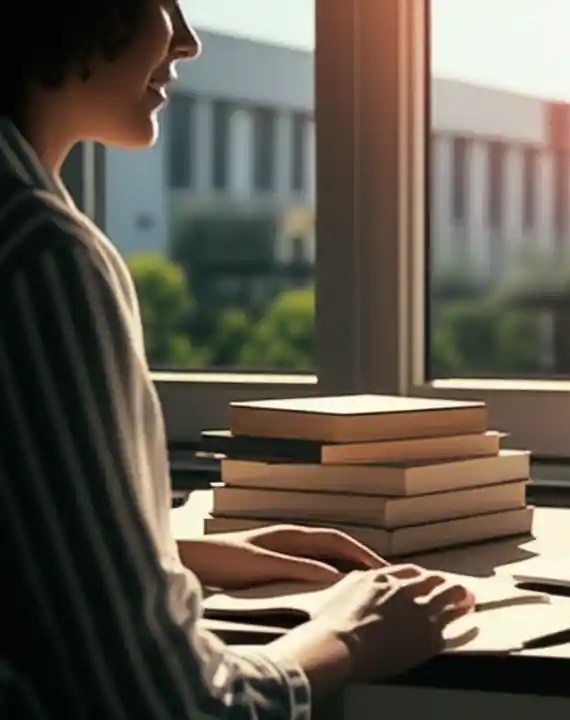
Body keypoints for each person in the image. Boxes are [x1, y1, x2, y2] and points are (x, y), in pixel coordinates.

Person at [0, 2, 475, 717]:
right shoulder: (38, 255)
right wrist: (349, 636)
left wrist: (165, 550)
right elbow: (161, 703)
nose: (186, 42)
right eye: (163, 2)